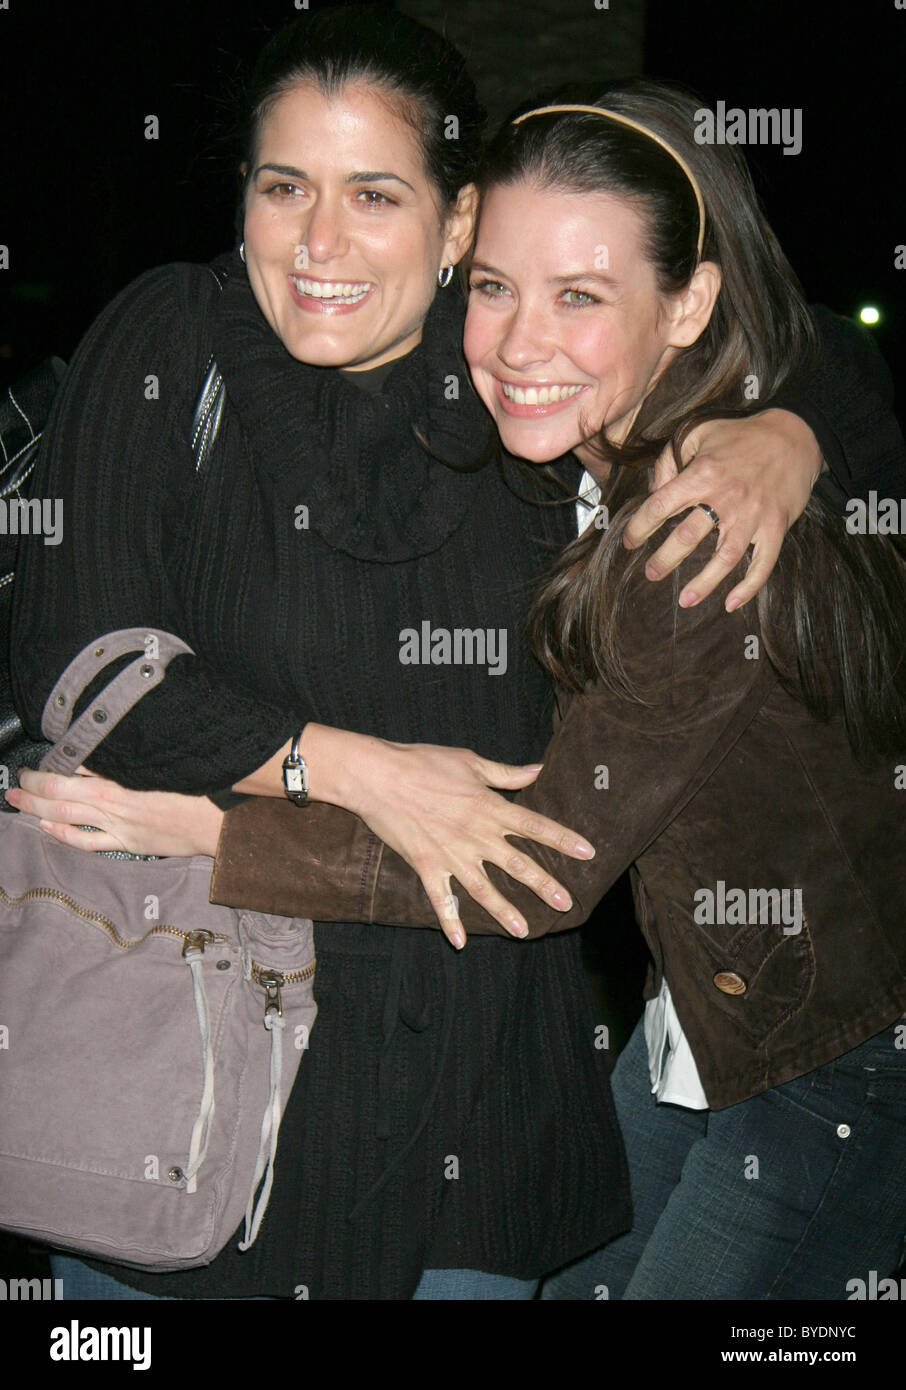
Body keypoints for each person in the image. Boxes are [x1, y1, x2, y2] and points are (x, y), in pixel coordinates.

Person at [9, 12, 904, 1302]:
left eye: (376, 194)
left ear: (454, 217)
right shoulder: (199, 339)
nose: (322, 243)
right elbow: (80, 660)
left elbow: (785, 343)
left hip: (561, 1079)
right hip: (197, 1065)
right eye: (283, 188)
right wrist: (354, 768)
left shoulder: (576, 431)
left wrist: (790, 435)